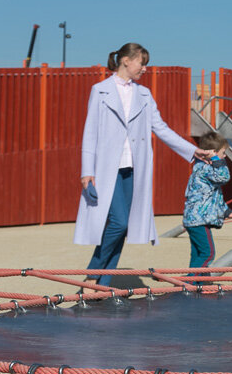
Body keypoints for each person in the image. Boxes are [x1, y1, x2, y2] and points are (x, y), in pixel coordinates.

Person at [74, 42, 213, 288]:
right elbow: (90, 132)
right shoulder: (100, 90)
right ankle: (93, 271)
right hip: (109, 168)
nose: (145, 68)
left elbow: (161, 129)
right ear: (126, 60)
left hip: (134, 169)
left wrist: (193, 150)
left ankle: (103, 284)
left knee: (123, 227)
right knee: (119, 223)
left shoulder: (144, 94)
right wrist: (87, 171)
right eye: (142, 62)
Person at [183, 131, 232, 279]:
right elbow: (224, 176)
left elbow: (211, 196)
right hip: (199, 220)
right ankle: (191, 282)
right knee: (208, 253)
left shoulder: (200, 168)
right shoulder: (205, 169)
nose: (224, 156)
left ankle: (195, 282)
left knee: (198, 253)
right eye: (223, 153)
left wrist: (226, 211)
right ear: (213, 153)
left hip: (194, 219)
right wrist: (215, 159)